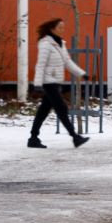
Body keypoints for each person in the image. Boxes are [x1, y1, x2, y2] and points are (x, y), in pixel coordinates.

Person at [28, 18, 87, 149]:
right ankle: (75, 137)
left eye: (63, 27)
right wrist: (37, 84)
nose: (62, 30)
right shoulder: (45, 44)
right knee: (62, 108)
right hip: (48, 82)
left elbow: (67, 62)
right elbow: (40, 65)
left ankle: (33, 138)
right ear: (52, 29)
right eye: (59, 27)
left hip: (55, 82)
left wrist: (82, 74)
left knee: (43, 110)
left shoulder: (60, 43)